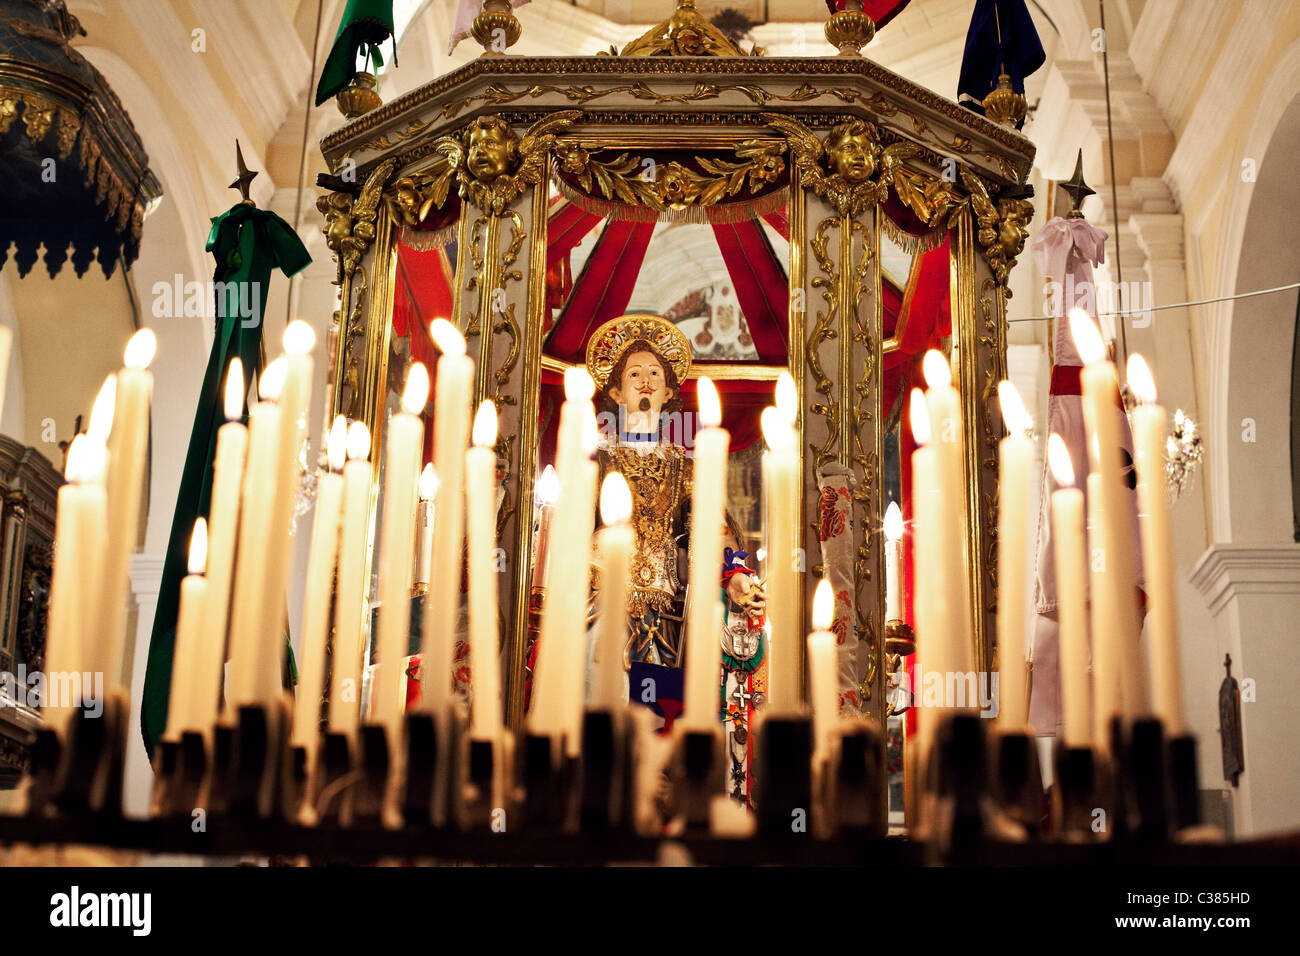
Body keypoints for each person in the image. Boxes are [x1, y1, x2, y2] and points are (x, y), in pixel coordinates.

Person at [583, 313, 767, 805]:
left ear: (667, 394)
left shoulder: (685, 467)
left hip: (668, 614)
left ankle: (670, 798)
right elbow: (568, 533)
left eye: (654, 375)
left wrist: (736, 574)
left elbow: (717, 528)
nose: (645, 382)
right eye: (633, 375)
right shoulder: (597, 458)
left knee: (665, 709)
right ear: (616, 394)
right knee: (602, 696)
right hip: (605, 603)